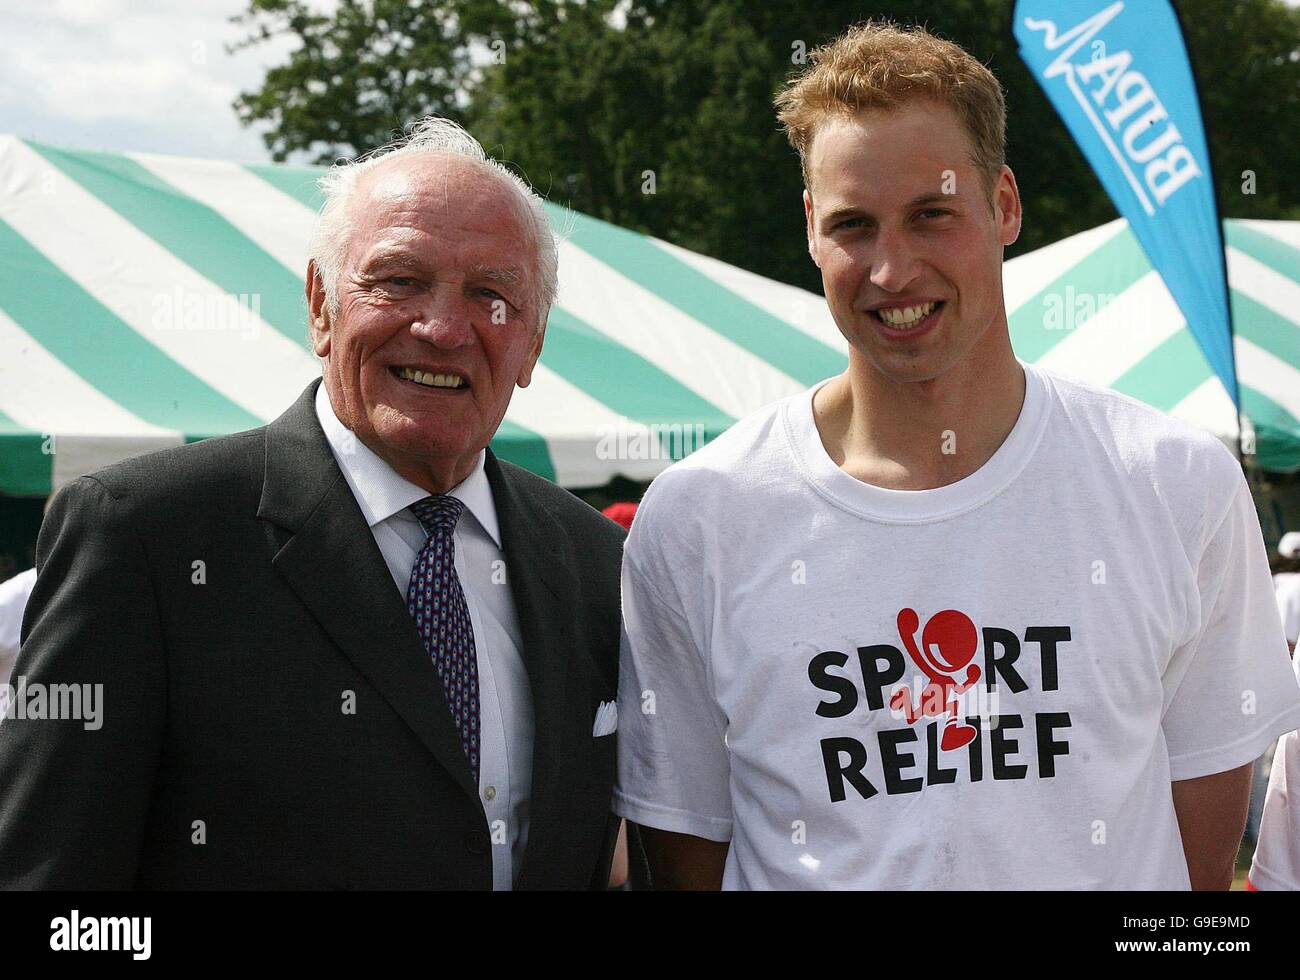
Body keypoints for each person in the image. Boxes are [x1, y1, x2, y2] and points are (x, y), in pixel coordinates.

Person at [613, 22, 1300, 890]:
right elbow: (687, 847)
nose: (892, 270)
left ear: (1004, 204)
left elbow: (1197, 854)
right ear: (810, 229)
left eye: (931, 215)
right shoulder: (701, 514)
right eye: (853, 225)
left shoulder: (1173, 481)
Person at [0, 118, 625, 889]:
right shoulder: (144, 537)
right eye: (398, 280)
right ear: (322, 306)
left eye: (492, 296)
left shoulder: (597, 558)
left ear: (531, 344)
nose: (441, 328)